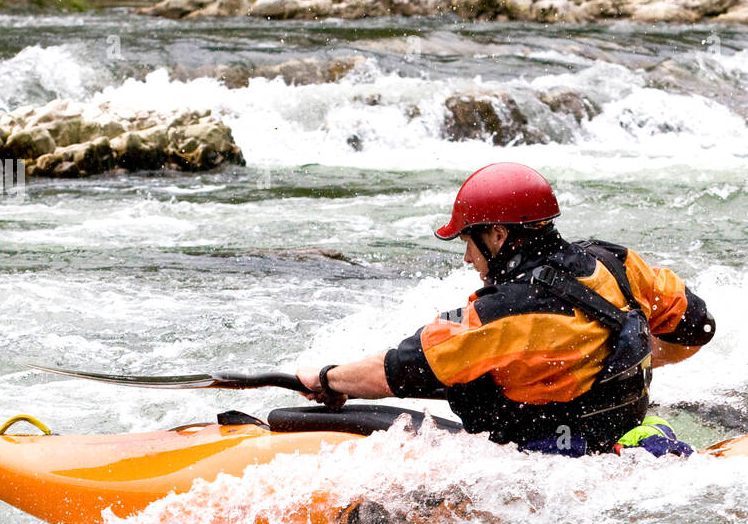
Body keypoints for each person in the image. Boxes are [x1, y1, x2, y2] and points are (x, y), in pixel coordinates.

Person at [295, 163, 715, 455]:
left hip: (545, 460)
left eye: (468, 241)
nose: (466, 258)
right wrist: (615, 360)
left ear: (497, 235)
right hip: (625, 434)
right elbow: (697, 327)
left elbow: (398, 369)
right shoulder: (616, 263)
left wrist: (328, 379)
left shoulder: (499, 314)